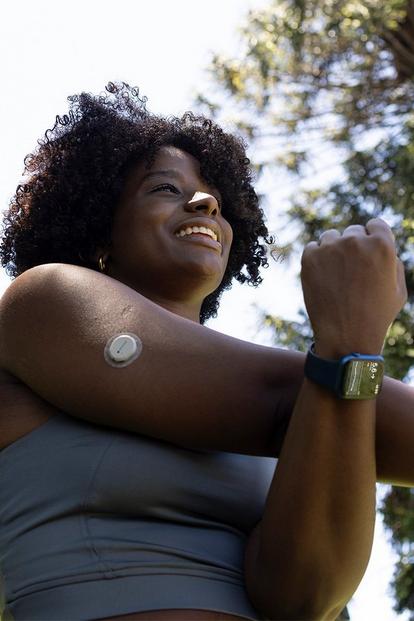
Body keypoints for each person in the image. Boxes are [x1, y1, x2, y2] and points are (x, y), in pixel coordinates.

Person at [0, 81, 410, 621]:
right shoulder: (43, 301)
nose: (205, 201)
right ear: (100, 232)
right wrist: (341, 353)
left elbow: (305, 596)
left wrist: (352, 352)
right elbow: (275, 398)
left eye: (214, 194)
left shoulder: (313, 396)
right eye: (165, 188)